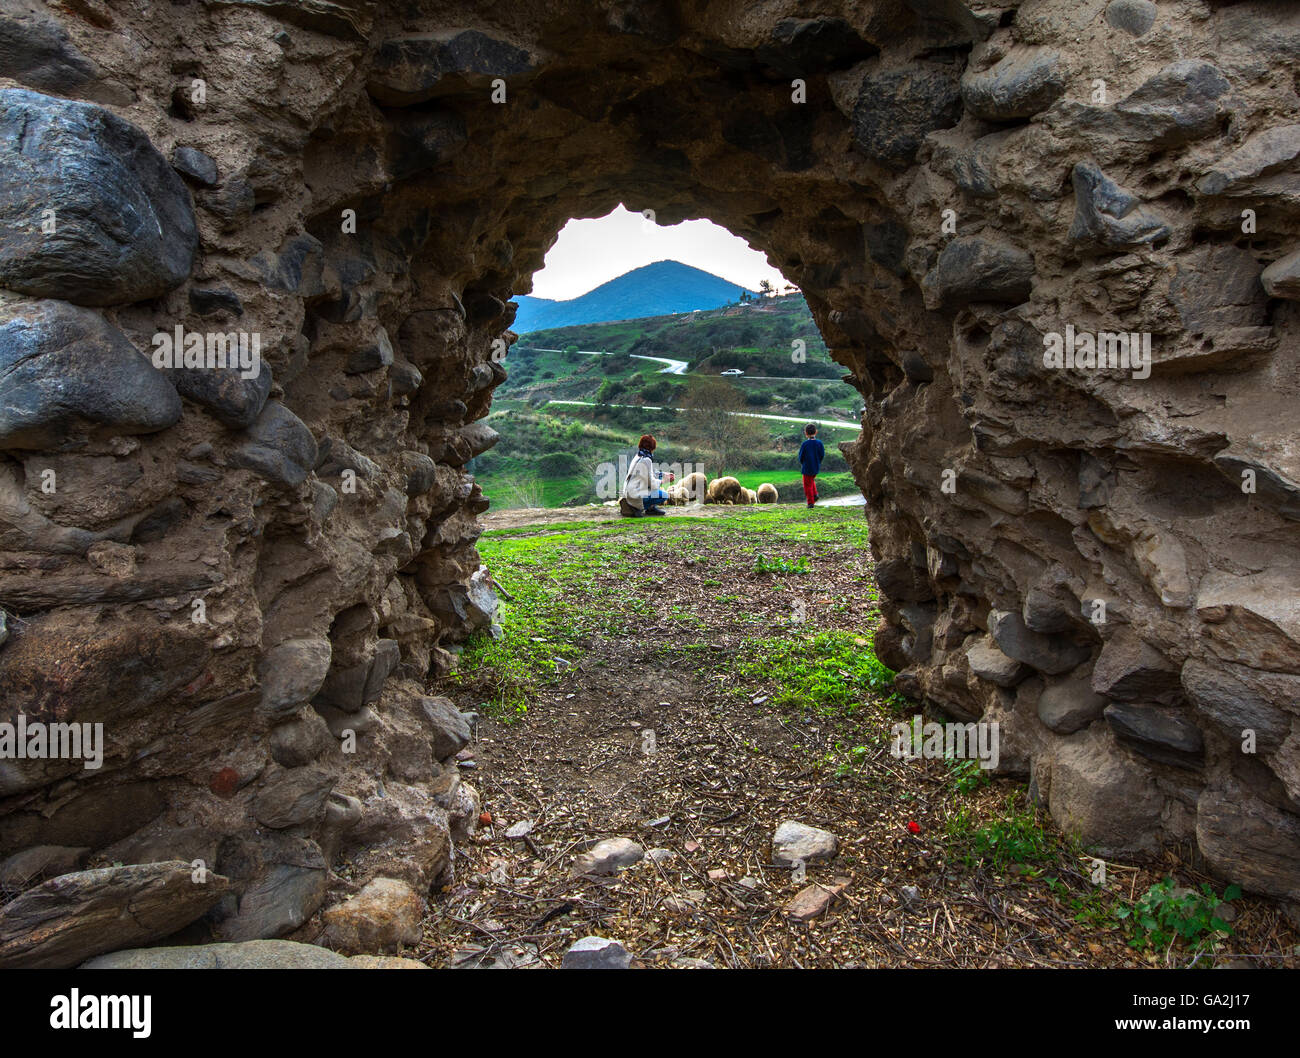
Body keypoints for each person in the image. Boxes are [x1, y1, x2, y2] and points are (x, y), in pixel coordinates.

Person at [620, 434, 673, 516]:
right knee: (664, 495)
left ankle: (647, 507)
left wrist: (662, 474)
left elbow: (650, 472)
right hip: (635, 494)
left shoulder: (639, 456)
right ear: (652, 447)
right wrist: (663, 480)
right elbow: (651, 482)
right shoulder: (646, 459)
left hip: (628, 492)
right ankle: (639, 508)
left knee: (655, 483)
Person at [798, 423, 824, 508]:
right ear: (816, 432)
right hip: (816, 466)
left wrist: (803, 463)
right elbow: (822, 455)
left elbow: (801, 456)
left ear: (806, 433)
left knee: (807, 485)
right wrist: (817, 462)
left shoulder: (805, 444)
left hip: (807, 467)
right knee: (811, 480)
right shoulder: (819, 443)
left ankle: (810, 502)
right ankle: (815, 494)